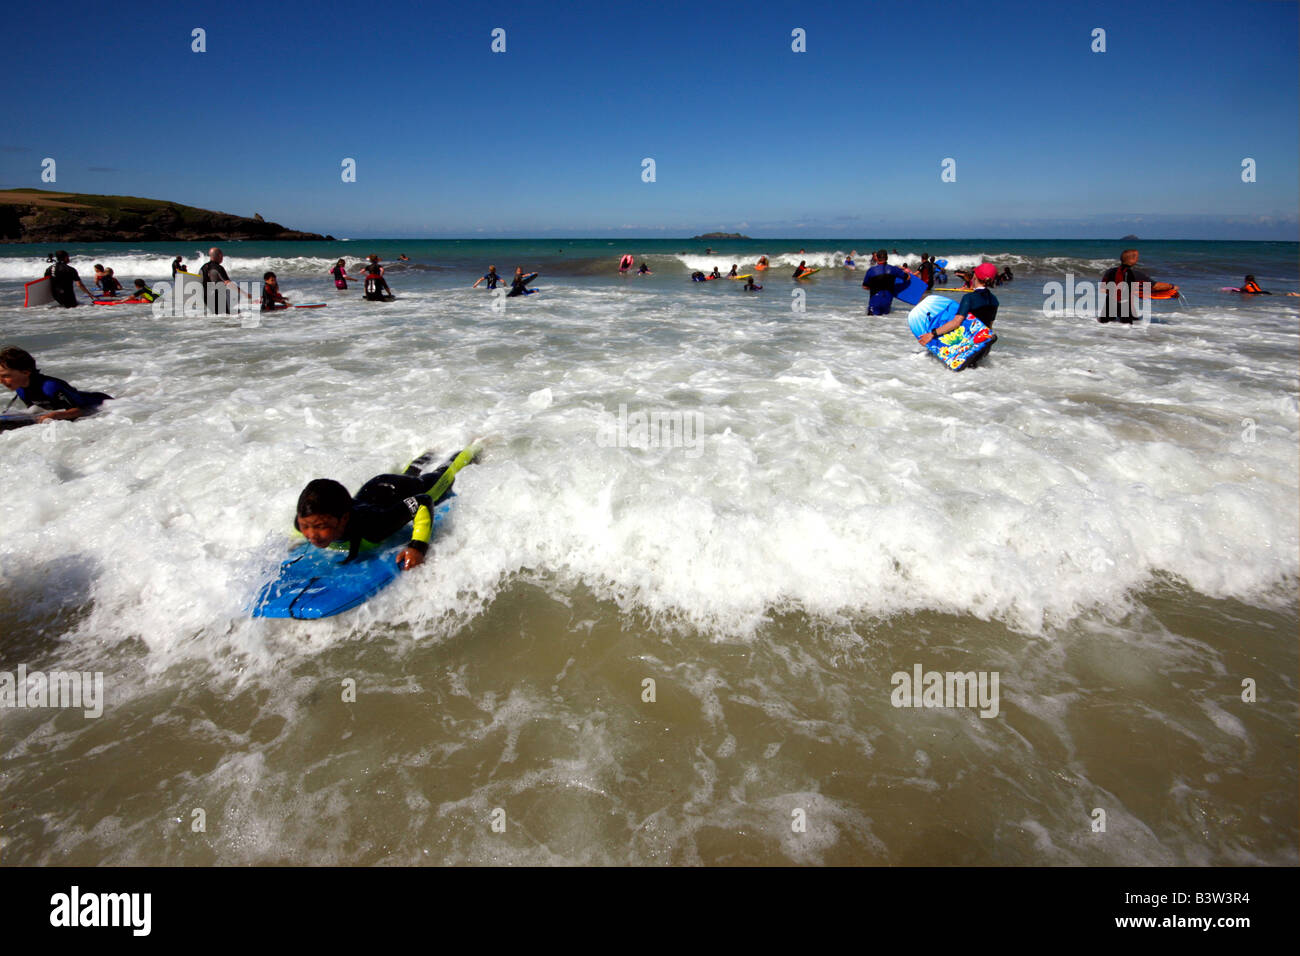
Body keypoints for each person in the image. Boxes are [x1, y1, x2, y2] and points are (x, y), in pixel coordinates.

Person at [293, 446, 478, 571]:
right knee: (408, 476)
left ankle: (473, 447)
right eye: (305, 526)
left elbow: (422, 501)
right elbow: (304, 527)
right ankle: (429, 452)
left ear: (343, 519)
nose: (311, 534)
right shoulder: (306, 519)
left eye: (319, 526)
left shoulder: (374, 526)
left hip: (396, 489)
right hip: (373, 492)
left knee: (440, 477)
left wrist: (417, 547)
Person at [1, 346, 112, 423]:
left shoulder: (50, 387)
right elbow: (34, 410)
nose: (1, 381)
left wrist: (55, 415)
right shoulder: (21, 389)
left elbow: (80, 410)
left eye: (5, 376)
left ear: (26, 372)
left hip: (101, 403)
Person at [1098, 249, 1175, 323]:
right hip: (1125, 306)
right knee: (1127, 329)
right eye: (1137, 257)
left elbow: (1103, 289)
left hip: (1108, 305)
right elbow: (1156, 286)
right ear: (1132, 260)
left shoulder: (1110, 271)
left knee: (1105, 326)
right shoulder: (1135, 273)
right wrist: (1171, 286)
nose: (1138, 259)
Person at [861, 249, 911, 315]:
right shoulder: (894, 269)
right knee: (885, 322)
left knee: (872, 323)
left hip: (874, 302)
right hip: (887, 302)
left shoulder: (871, 270)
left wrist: (874, 287)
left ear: (876, 258)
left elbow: (865, 286)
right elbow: (908, 277)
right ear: (887, 258)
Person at [953, 264, 1000, 330]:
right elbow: (990, 326)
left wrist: (934, 333)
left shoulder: (969, 297)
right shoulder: (994, 299)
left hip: (970, 336)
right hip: (984, 336)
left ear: (974, 276)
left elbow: (956, 323)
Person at [200, 247, 242, 313]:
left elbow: (199, 282)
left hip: (205, 298)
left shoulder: (203, 267)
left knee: (217, 317)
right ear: (219, 255)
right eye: (222, 256)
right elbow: (228, 282)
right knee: (225, 317)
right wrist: (244, 293)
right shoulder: (218, 268)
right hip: (217, 297)